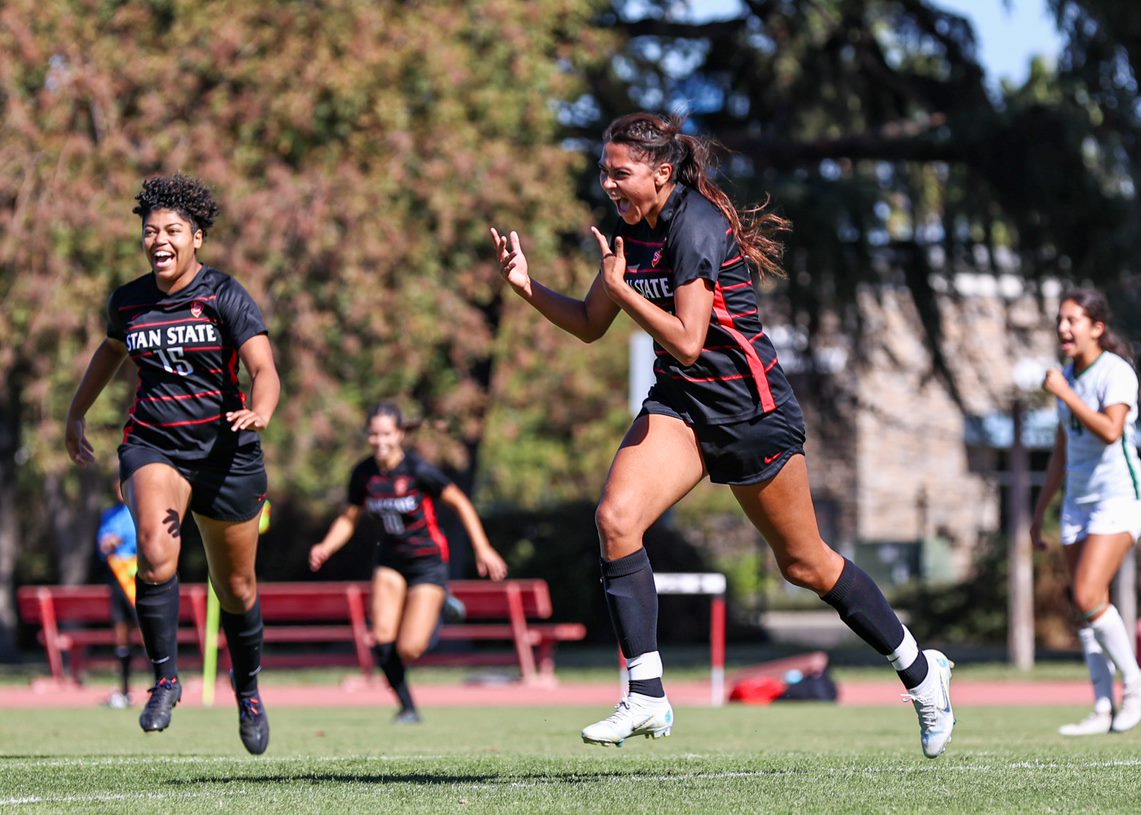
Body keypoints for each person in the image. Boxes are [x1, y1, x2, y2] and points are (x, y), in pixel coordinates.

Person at [490, 112, 955, 757]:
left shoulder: (697, 225)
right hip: (681, 406)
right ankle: (647, 693)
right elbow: (593, 323)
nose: (609, 184)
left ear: (662, 171)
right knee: (617, 518)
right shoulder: (630, 230)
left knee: (805, 564)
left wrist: (623, 292)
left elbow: (686, 339)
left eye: (619, 172)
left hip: (748, 412)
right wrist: (527, 287)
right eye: (604, 171)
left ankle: (922, 672)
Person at [65, 173, 280, 755]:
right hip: (154, 444)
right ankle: (163, 679)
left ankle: (250, 690)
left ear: (197, 238)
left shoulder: (225, 295)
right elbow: (110, 351)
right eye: (150, 231)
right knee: (156, 554)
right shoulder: (128, 301)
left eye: (172, 230)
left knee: (235, 587)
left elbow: (264, 368)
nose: (159, 239)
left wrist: (259, 412)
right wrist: (76, 412)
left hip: (227, 454)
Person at [309, 401, 509, 723]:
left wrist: (483, 548)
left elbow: (461, 502)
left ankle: (441, 602)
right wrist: (325, 546)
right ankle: (407, 707)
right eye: (374, 434)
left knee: (410, 648)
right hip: (390, 562)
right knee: (382, 640)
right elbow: (349, 518)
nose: (380, 440)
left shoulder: (418, 469)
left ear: (400, 434)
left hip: (428, 564)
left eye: (387, 433)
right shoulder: (364, 473)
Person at [1030, 288, 1141, 736]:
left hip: (1118, 497)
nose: (1063, 328)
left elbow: (1111, 431)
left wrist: (1065, 393)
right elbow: (1062, 451)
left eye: (1072, 320)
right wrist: (1039, 511)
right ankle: (1102, 707)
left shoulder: (1115, 372)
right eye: (1060, 320)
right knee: (1087, 608)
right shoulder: (1068, 377)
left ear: (1097, 327)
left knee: (1088, 595)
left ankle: (1134, 687)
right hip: (1078, 501)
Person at [97, 480, 138, 708]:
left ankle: (160, 687)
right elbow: (102, 546)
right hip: (118, 578)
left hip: (139, 577)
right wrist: (107, 543)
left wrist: (123, 540)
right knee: (121, 633)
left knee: (146, 633)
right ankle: (124, 690)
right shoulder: (110, 515)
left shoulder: (143, 512)